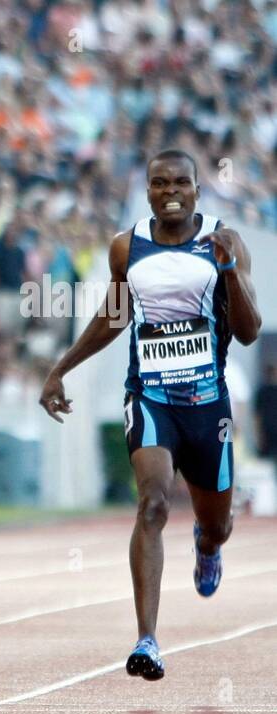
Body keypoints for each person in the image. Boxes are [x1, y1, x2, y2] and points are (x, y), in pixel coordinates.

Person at [39, 149, 263, 682]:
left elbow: (251, 330)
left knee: (217, 525)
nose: (171, 191)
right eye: (159, 183)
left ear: (197, 191)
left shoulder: (224, 241)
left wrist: (229, 268)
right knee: (154, 504)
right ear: (147, 193)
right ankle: (148, 639)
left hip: (209, 407)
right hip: (150, 396)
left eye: (180, 182)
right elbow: (113, 317)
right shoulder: (127, 247)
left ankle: (207, 549)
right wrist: (60, 369)